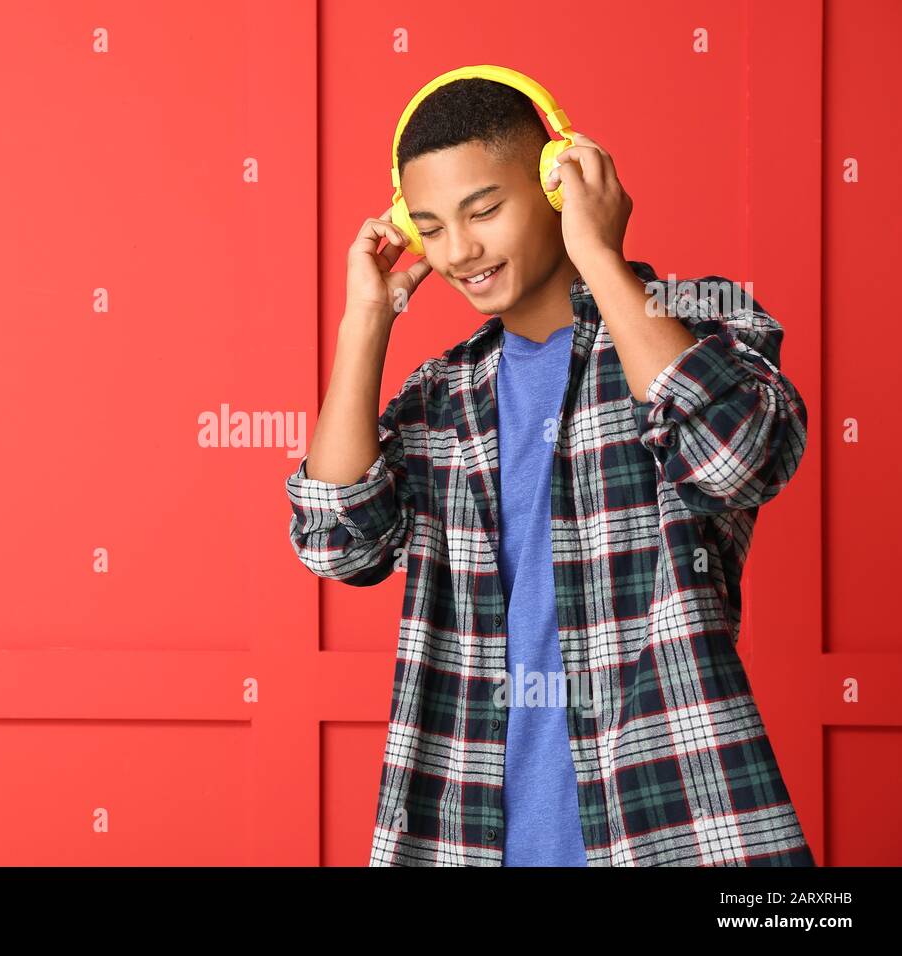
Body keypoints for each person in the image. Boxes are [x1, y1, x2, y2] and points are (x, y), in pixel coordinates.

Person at [284, 77, 816, 866]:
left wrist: (597, 254)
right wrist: (367, 318)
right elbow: (336, 543)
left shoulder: (700, 325)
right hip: (463, 833)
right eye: (429, 227)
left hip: (674, 825)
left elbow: (737, 458)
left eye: (483, 210)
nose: (458, 250)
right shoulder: (440, 397)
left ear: (557, 182)